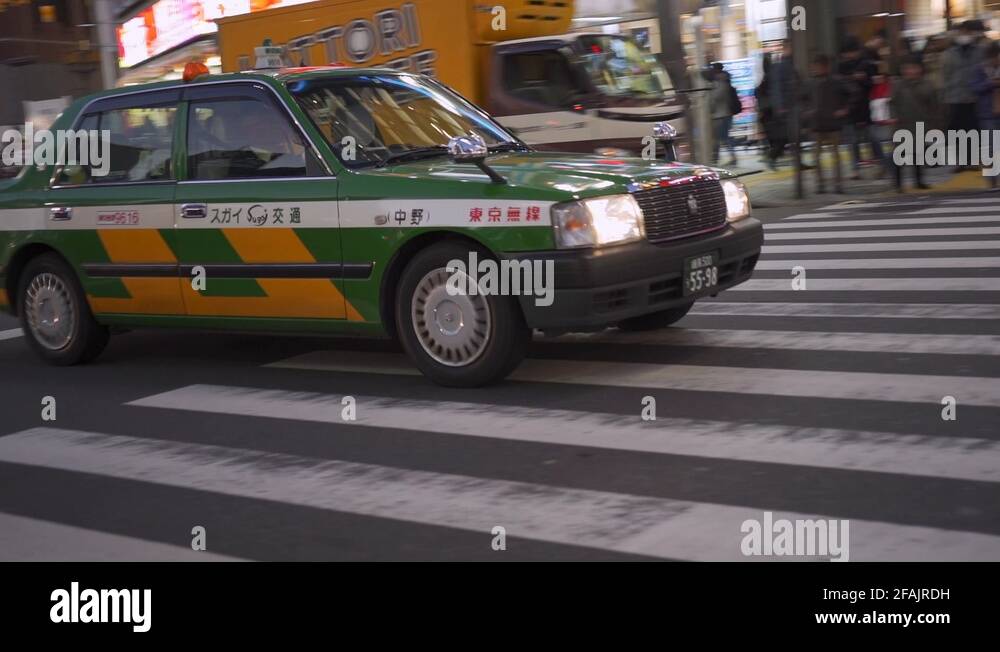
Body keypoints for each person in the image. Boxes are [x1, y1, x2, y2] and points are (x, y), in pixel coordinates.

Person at [839, 38, 886, 179]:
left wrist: (862, 79)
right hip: (850, 107)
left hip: (865, 105)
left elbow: (873, 83)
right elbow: (840, 84)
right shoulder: (842, 66)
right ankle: (856, 169)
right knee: (853, 140)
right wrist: (854, 78)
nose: (848, 56)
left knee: (872, 138)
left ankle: (881, 165)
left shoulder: (866, 64)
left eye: (850, 53)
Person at [890, 56, 937, 192]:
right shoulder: (898, 85)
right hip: (902, 124)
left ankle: (919, 180)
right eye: (907, 69)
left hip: (920, 124)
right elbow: (892, 103)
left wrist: (933, 123)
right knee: (900, 154)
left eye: (912, 68)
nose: (910, 71)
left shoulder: (927, 85)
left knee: (918, 153)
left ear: (919, 69)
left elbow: (933, 106)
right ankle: (898, 184)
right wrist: (893, 117)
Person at [942, 20, 984, 171]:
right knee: (955, 131)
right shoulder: (949, 54)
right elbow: (945, 75)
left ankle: (973, 160)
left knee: (972, 130)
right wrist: (946, 95)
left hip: (974, 97)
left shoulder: (979, 51)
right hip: (954, 97)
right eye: (961, 33)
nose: (964, 36)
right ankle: (959, 162)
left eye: (967, 32)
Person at [805, 54, 848, 193]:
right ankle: (820, 184)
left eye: (820, 66)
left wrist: (844, 109)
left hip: (832, 124)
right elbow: (801, 99)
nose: (818, 69)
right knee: (817, 157)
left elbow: (852, 93)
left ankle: (838, 184)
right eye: (816, 66)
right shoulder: (810, 83)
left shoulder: (836, 81)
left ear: (827, 66)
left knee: (835, 157)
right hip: (817, 125)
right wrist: (807, 112)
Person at [973, 40, 1000, 187]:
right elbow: (975, 88)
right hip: (987, 114)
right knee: (990, 148)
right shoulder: (981, 70)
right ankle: (992, 181)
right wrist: (991, 83)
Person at [709, 62, 740, 166]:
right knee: (722, 138)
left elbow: (715, 98)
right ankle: (716, 158)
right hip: (726, 114)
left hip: (720, 115)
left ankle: (719, 159)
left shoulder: (719, 82)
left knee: (721, 138)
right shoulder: (726, 81)